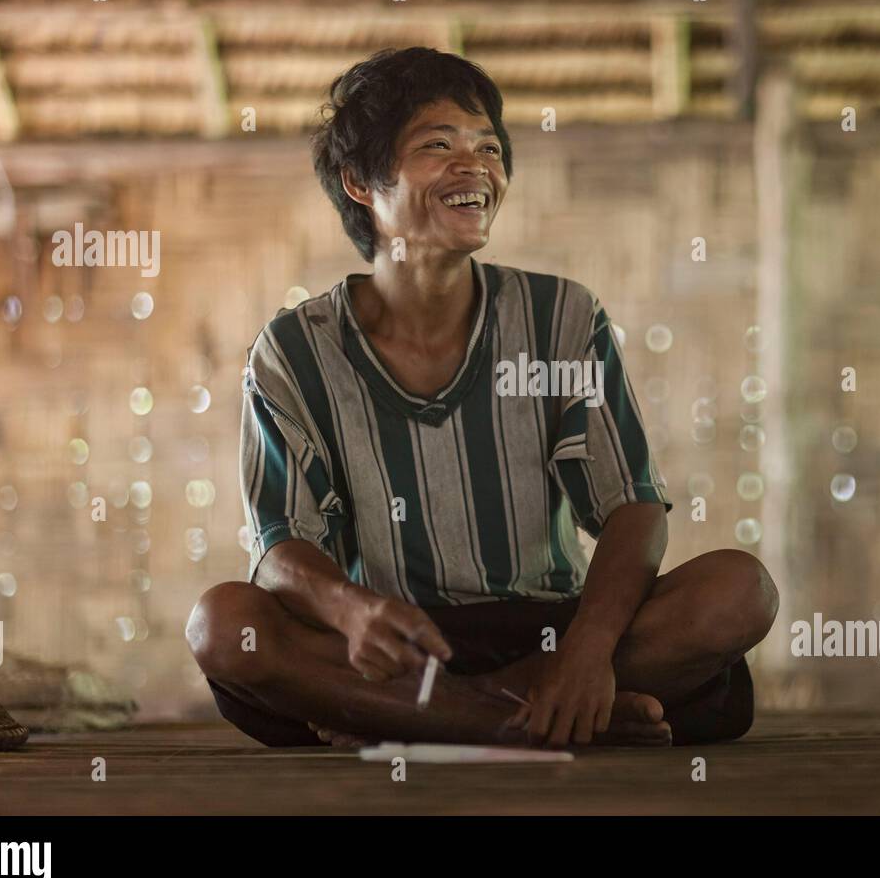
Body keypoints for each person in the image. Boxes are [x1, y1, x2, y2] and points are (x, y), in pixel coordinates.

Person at [185, 47, 778, 749]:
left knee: (740, 590)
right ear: (357, 181)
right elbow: (281, 544)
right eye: (439, 145)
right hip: (391, 647)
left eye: (489, 148)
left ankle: (437, 719)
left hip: (551, 624)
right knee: (222, 625)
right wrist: (351, 611)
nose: (477, 167)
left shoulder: (560, 316)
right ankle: (529, 721)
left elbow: (632, 507)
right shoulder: (292, 351)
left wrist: (585, 652)